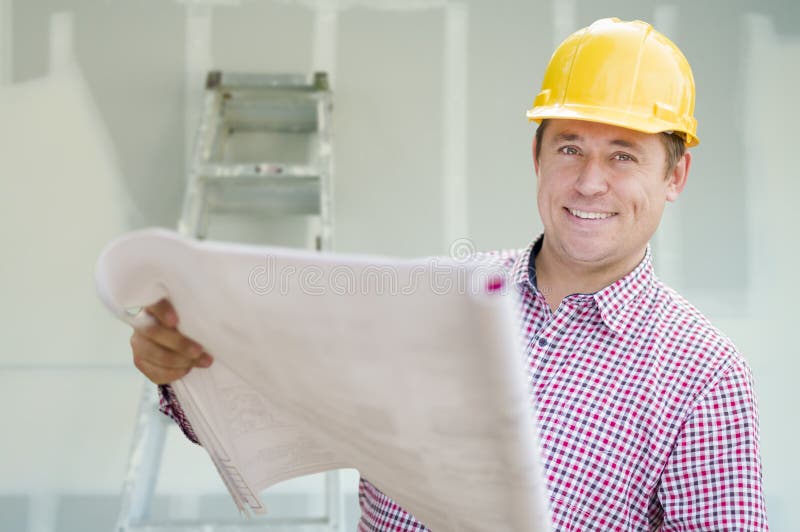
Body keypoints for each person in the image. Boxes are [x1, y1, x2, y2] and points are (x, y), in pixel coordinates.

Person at [130, 17, 768, 531]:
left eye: (623, 155)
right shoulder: (431, 298)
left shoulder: (702, 375)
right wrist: (181, 368)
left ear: (674, 176)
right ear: (537, 157)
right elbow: (274, 408)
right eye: (569, 146)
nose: (589, 182)